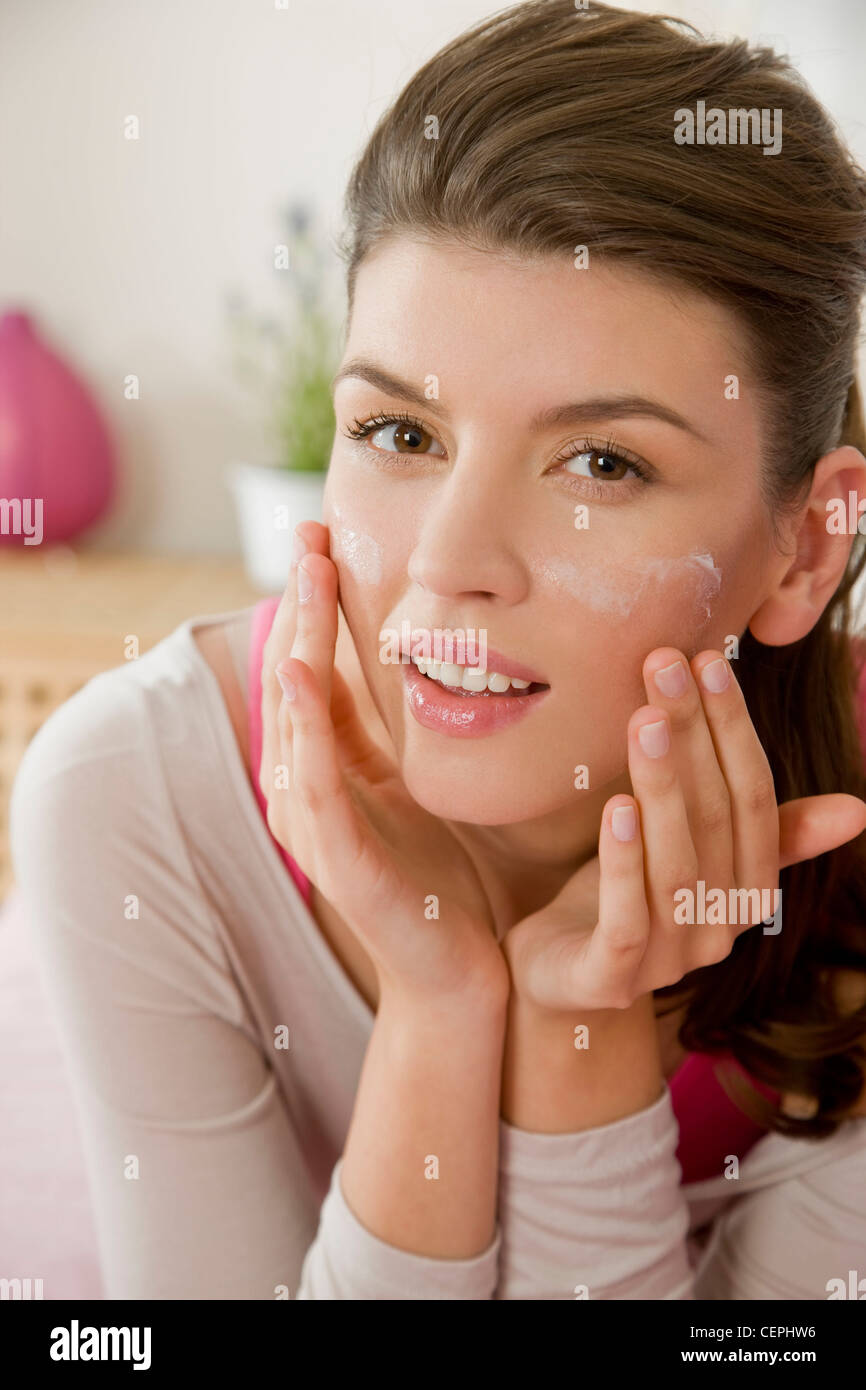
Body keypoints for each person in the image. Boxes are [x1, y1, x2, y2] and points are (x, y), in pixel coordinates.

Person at [11, 0, 866, 1299]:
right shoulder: (134, 792)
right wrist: (437, 1004)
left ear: (803, 550)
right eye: (400, 433)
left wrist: (575, 1035)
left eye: (600, 461)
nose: (447, 561)